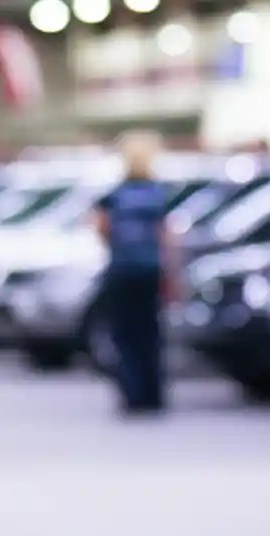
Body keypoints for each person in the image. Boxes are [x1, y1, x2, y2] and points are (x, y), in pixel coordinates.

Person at [94, 131, 178, 415]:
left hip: (122, 270)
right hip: (150, 270)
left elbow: (101, 229)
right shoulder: (158, 194)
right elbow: (167, 237)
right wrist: (170, 272)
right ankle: (153, 394)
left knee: (126, 336)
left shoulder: (114, 195)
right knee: (150, 335)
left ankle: (132, 393)